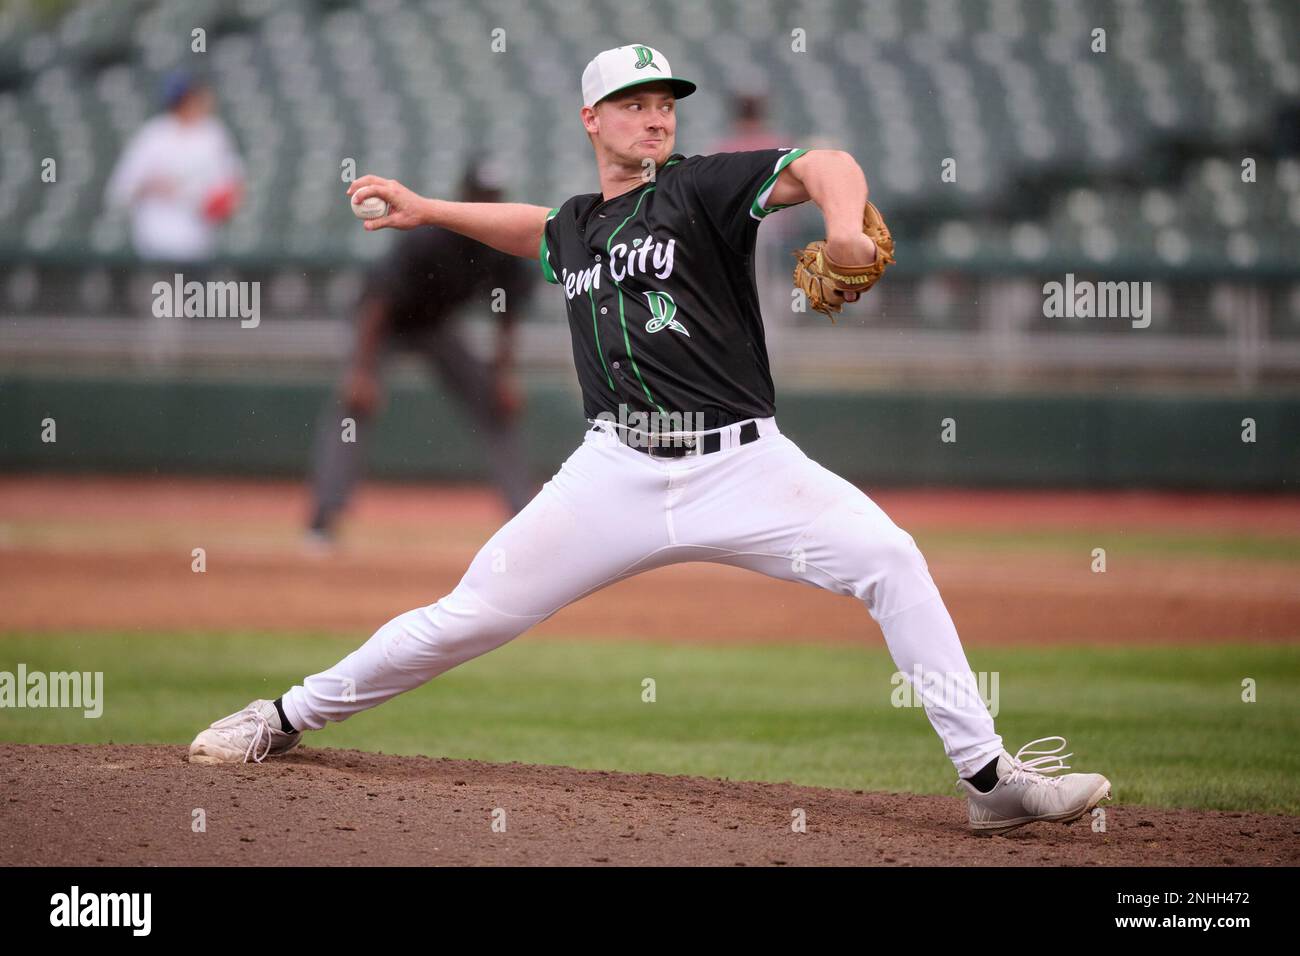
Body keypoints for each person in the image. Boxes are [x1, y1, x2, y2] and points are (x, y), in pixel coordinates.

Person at [189, 44, 1111, 835]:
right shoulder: (579, 228)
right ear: (591, 118)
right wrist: (428, 209)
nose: (655, 118)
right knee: (467, 616)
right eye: (633, 105)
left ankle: (989, 780)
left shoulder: (705, 188)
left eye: (664, 103)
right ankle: (281, 716)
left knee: (892, 558)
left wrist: (841, 230)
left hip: (746, 465)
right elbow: (533, 230)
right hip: (615, 471)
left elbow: (827, 162)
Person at [306, 158, 536, 547]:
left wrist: (502, 378)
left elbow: (508, 316)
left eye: (493, 196)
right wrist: (361, 373)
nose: (487, 202)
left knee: (494, 404)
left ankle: (525, 520)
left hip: (435, 327)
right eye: (481, 195)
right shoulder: (432, 237)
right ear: (464, 194)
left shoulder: (500, 242)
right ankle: (323, 521)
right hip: (384, 326)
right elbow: (377, 303)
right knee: (353, 409)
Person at [104, 71, 243, 262]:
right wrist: (152, 186)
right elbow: (120, 189)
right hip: (154, 244)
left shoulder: (213, 134)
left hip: (199, 245)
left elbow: (233, 186)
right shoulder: (153, 136)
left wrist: (220, 202)